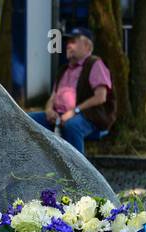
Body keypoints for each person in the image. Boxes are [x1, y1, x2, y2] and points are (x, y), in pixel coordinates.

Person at [27, 27, 116, 155]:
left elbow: (101, 97)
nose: (68, 45)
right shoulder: (64, 69)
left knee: (72, 126)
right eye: (67, 42)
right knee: (28, 120)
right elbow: (52, 97)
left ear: (87, 46)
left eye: (73, 41)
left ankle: (78, 173)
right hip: (59, 116)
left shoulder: (95, 64)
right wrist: (49, 110)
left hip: (89, 117)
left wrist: (74, 111)